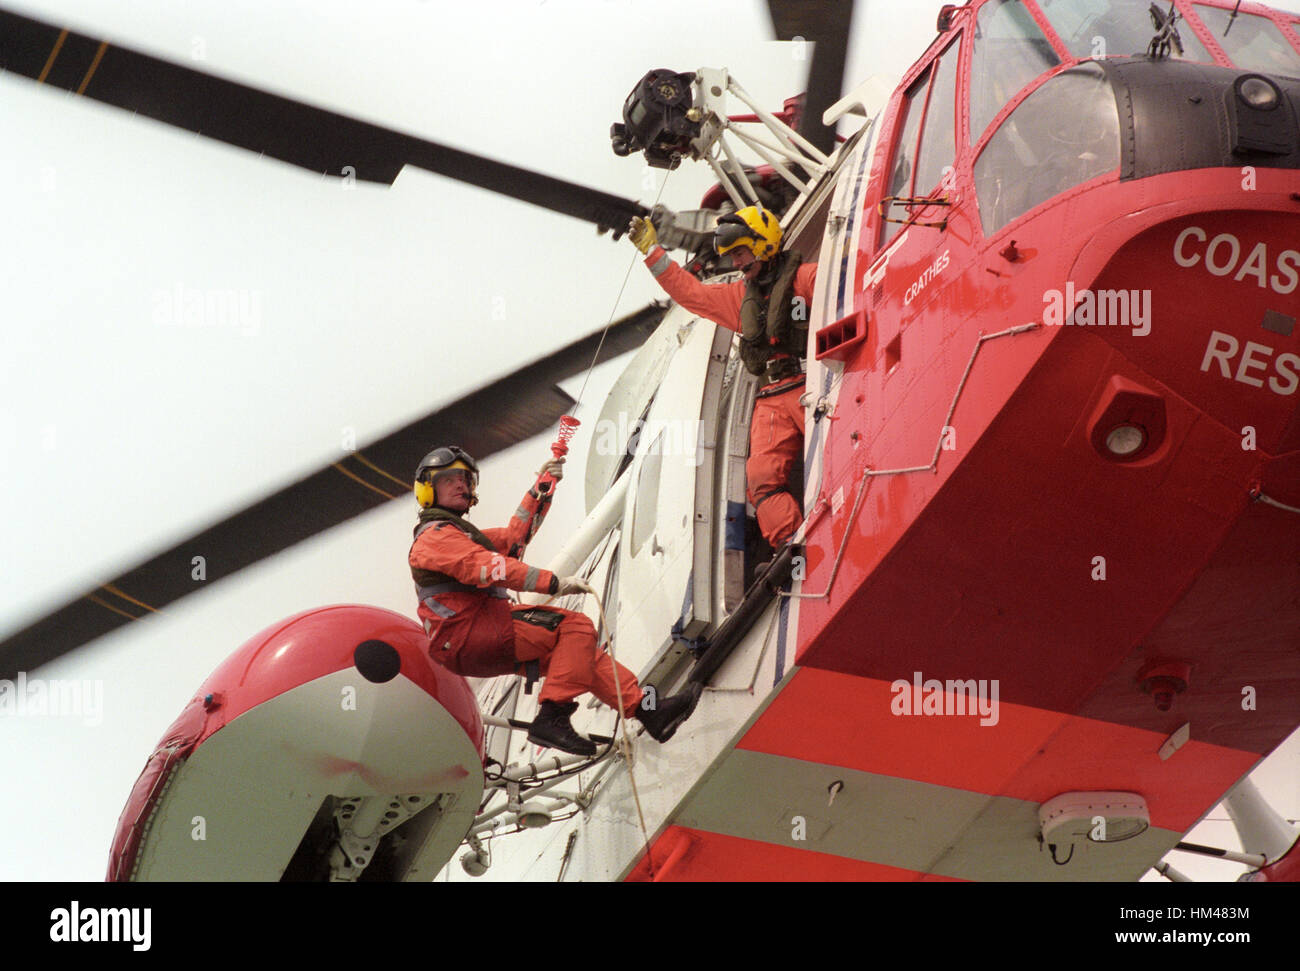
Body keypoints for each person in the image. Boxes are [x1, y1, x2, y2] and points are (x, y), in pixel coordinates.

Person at [408, 445, 694, 755]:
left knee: (581, 656)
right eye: (449, 479)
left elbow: (513, 538)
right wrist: (554, 583)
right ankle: (553, 717)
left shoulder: (461, 535)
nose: (461, 484)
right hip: (472, 633)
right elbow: (492, 566)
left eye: (465, 479)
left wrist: (543, 485)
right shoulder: (435, 537)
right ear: (427, 489)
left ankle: (649, 711)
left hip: (478, 635)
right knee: (575, 627)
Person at [629, 206, 816, 550]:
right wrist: (654, 254)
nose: (737, 263)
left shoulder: (807, 278)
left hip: (813, 381)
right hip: (773, 397)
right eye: (731, 257)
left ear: (763, 244)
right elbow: (692, 294)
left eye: (741, 252)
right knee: (760, 479)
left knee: (845, 435)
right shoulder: (738, 298)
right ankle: (794, 547)